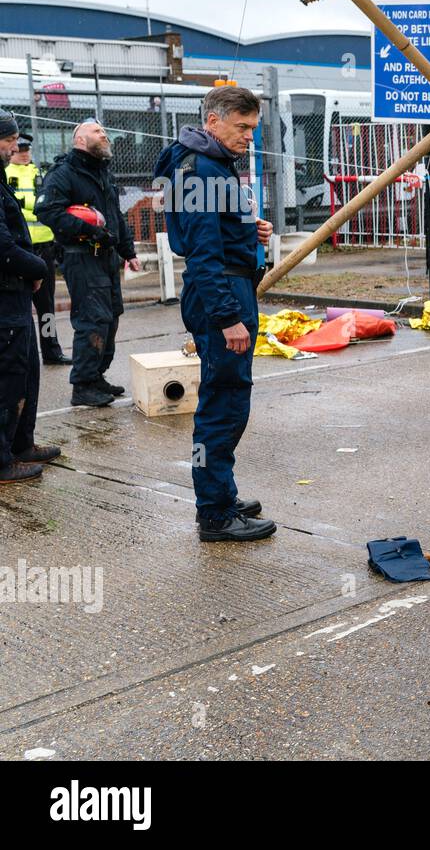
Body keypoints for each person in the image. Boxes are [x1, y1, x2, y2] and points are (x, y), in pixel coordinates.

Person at [153, 86, 275, 543]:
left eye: (252, 128)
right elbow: (202, 254)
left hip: (228, 286)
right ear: (213, 122)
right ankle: (215, 512)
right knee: (222, 406)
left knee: (226, 401)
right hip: (221, 294)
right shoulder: (201, 169)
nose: (249, 137)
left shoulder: (206, 163)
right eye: (242, 127)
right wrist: (228, 317)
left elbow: (210, 230)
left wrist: (249, 228)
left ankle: (221, 492)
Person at [34, 120, 140, 406]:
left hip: (107, 258)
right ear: (80, 140)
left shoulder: (102, 172)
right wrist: (89, 231)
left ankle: (96, 376)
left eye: (105, 131)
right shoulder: (64, 173)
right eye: (97, 132)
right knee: (93, 319)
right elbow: (45, 210)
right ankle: (82, 385)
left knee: (111, 316)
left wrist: (128, 252)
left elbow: (116, 216)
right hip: (81, 258)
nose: (104, 135)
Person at [0, 110, 60, 483]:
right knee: (8, 376)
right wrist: (35, 268)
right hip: (7, 295)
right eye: (10, 140)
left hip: (19, 286)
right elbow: (3, 247)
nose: (15, 147)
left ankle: (21, 443)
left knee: (27, 371)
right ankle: (2, 459)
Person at [8, 133, 69, 365]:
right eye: (19, 151)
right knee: (16, 307)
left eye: (27, 151)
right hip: (18, 248)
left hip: (44, 247)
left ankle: (52, 351)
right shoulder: (5, 174)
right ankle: (20, 353)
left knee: (46, 307)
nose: (24, 155)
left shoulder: (40, 173)